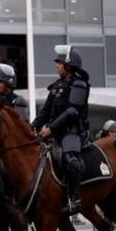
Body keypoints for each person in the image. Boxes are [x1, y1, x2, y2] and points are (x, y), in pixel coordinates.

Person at [31, 45, 90, 213]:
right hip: (55, 132)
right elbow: (45, 112)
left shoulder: (79, 85)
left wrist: (50, 128)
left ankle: (74, 198)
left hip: (72, 132)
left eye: (60, 63)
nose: (57, 66)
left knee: (71, 161)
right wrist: (32, 127)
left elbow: (72, 112)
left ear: (69, 66)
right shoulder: (56, 86)